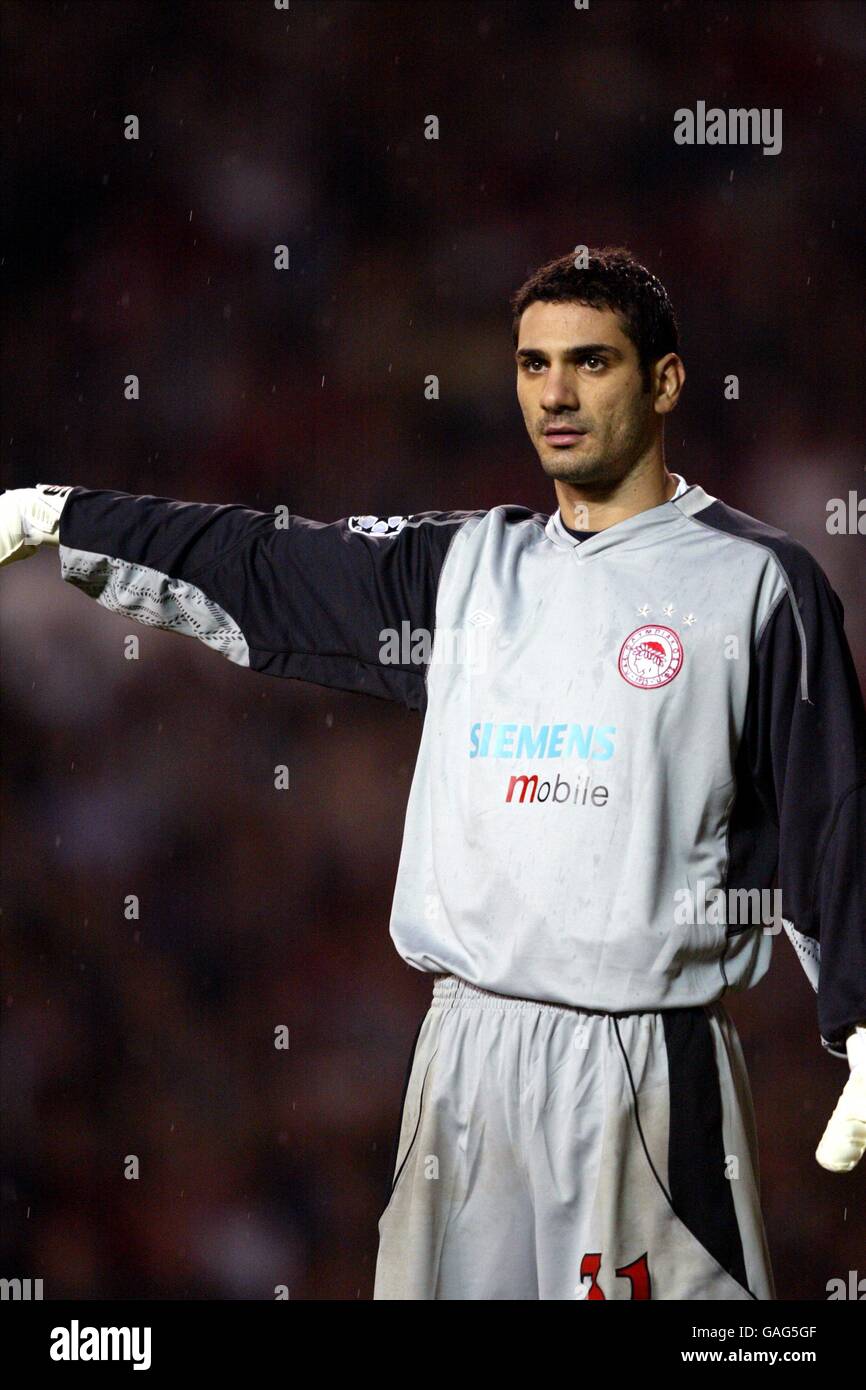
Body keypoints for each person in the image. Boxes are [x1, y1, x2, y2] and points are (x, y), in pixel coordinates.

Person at [2, 247, 864, 1301]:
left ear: (665, 381)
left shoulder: (754, 583)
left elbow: (830, 813)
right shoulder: (462, 573)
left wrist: (857, 1020)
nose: (553, 392)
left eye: (589, 362)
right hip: (458, 1058)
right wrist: (64, 519)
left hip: (642, 1072)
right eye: (531, 364)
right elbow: (261, 569)